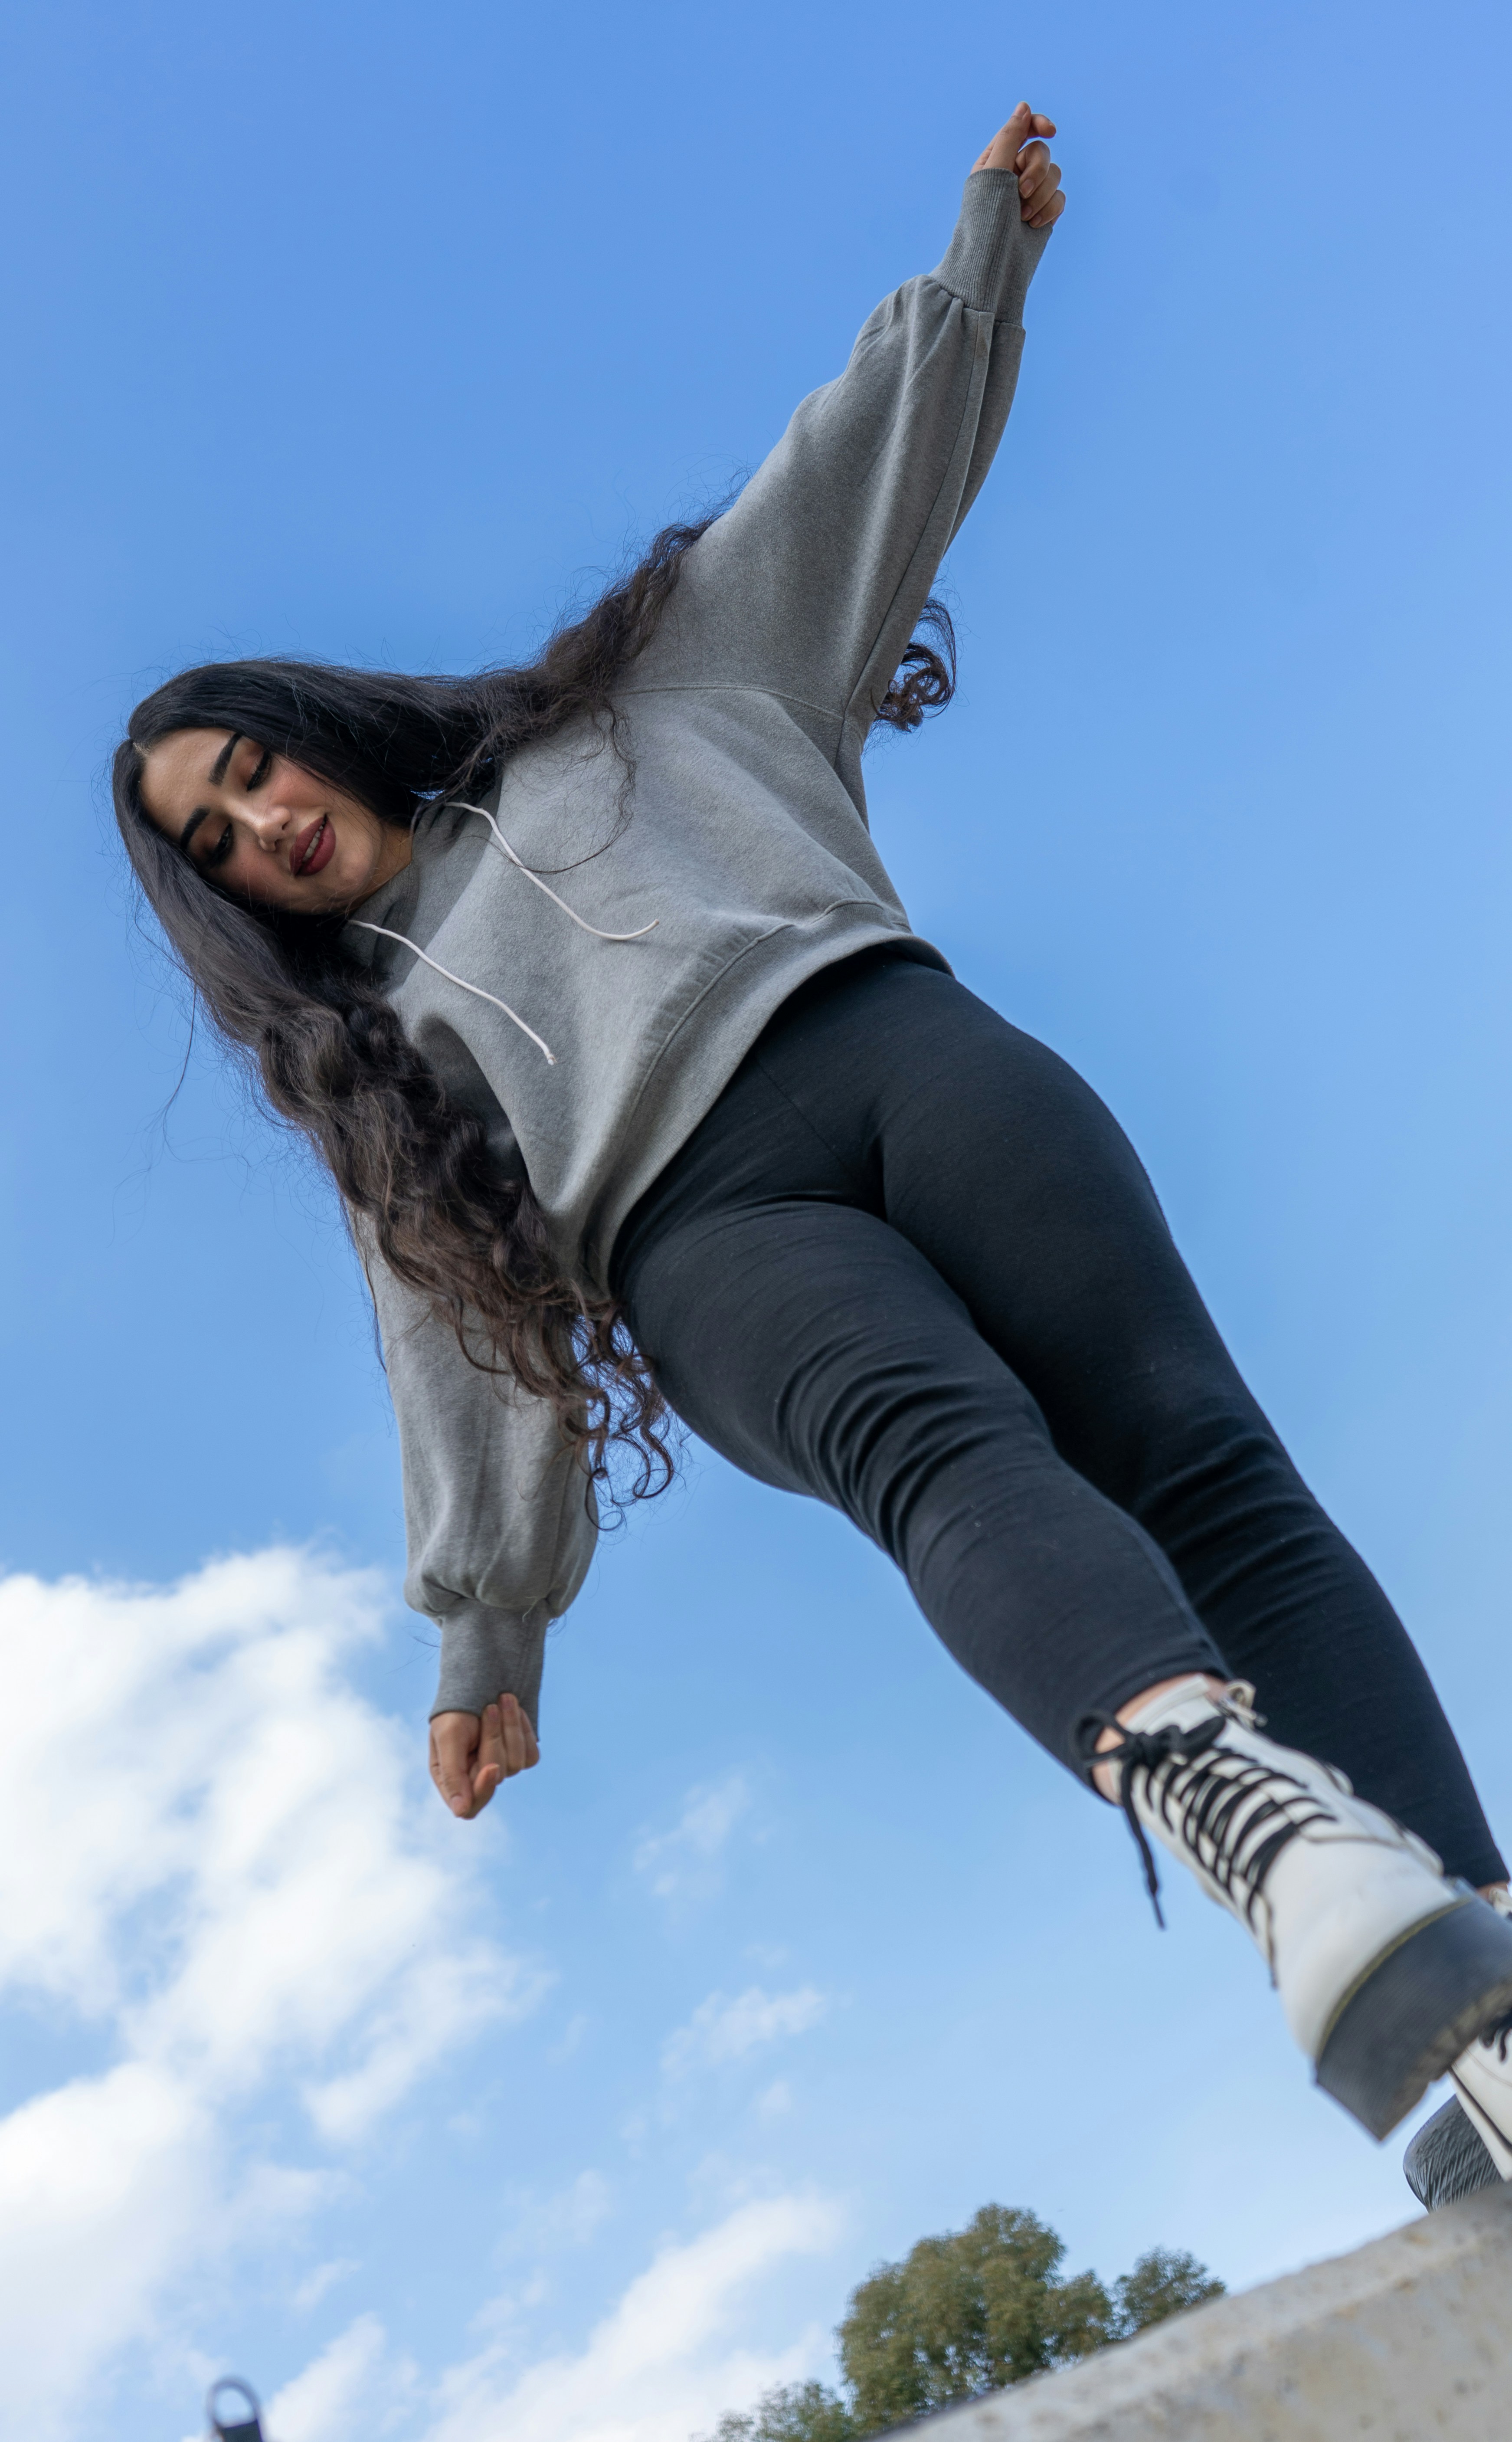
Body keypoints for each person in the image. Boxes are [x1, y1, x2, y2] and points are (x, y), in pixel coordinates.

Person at [113, 105, 1512, 2199]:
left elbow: (840, 472)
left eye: (251, 773)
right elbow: (444, 1339)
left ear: (305, 724)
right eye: (220, 846)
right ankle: (1250, 1824)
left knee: (1204, 1462)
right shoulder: (376, 1061)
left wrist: (978, 267)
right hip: (701, 1232)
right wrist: (489, 1630)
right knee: (935, 1451)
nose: (266, 825)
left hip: (899, 1046)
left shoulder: (641, 704)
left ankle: (1478, 1995)